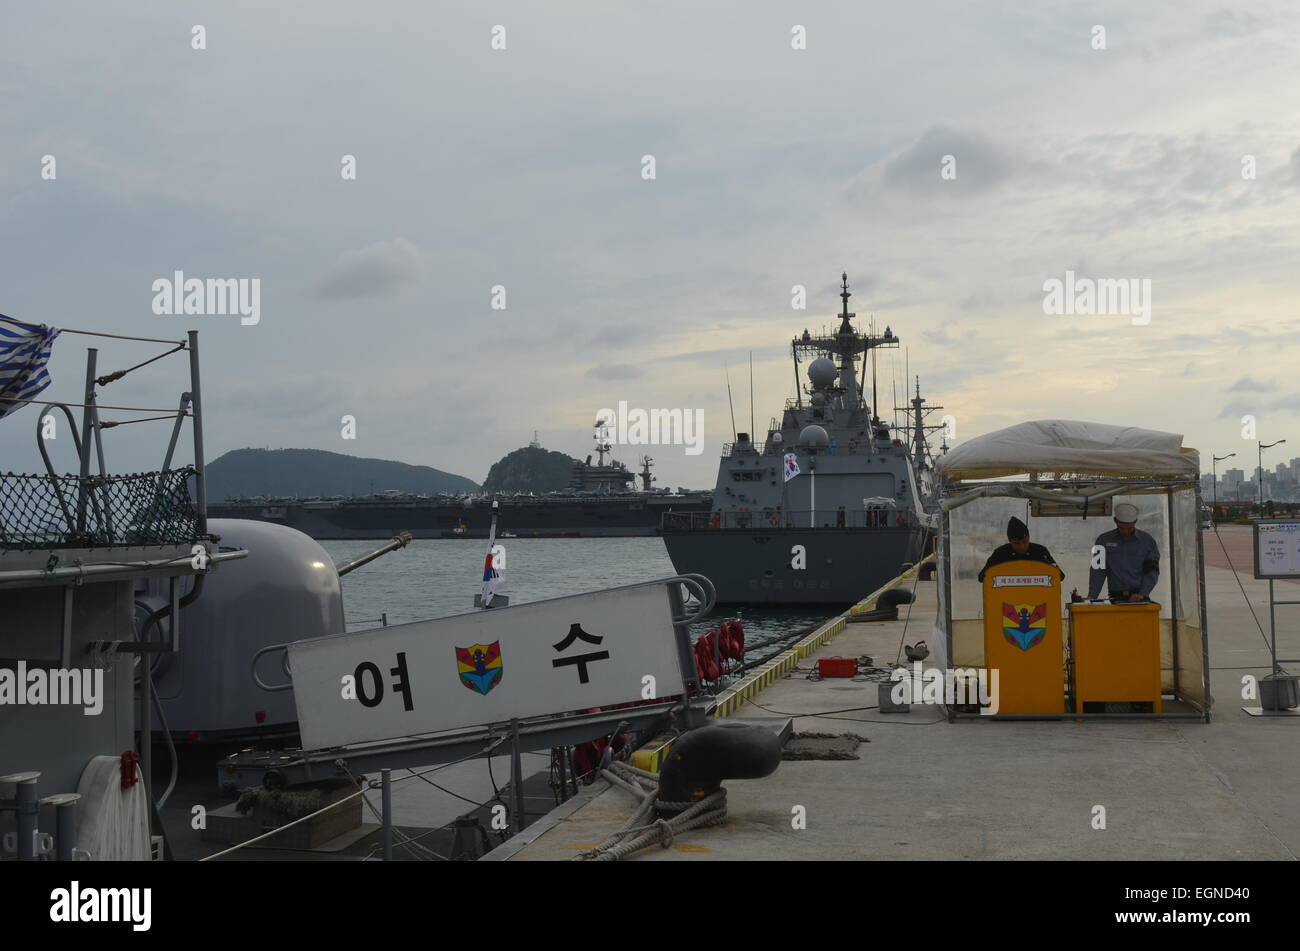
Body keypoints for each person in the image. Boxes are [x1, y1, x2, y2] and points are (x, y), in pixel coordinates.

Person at [1087, 501, 1159, 602]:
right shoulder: (1103, 540)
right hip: (1115, 597)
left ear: (1135, 522)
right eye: (1122, 528)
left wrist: (1143, 593)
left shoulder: (1147, 541)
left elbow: (1152, 570)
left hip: (1138, 597)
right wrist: (1092, 596)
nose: (1125, 532)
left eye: (1129, 528)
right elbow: (1098, 570)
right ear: (1115, 521)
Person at [977, 516, 1064, 582]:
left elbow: (1060, 576)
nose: (1022, 546)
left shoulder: (1040, 551)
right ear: (1010, 541)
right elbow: (982, 577)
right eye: (1017, 543)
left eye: (1025, 541)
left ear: (1029, 538)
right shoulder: (1000, 554)